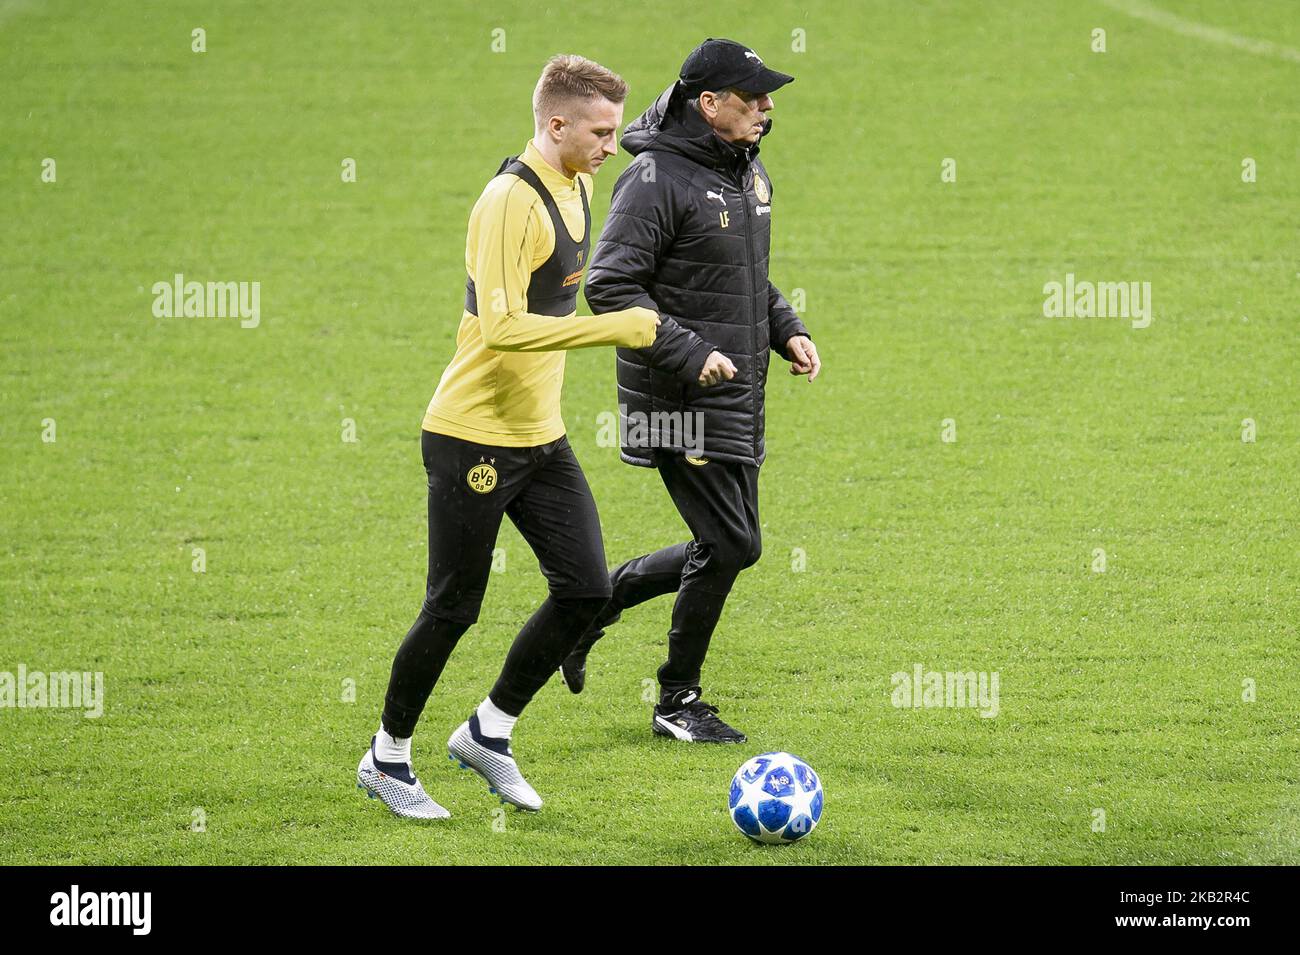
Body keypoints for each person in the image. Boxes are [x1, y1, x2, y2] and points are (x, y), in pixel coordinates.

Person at [356, 54, 658, 818]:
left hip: (539, 436)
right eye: (600, 131)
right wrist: (616, 329)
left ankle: (488, 733)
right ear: (554, 125)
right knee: (454, 605)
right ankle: (386, 757)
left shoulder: (580, 179)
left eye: (616, 131)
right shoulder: (506, 202)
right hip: (472, 436)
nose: (611, 145)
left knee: (586, 589)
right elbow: (501, 328)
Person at [562, 38, 820, 743]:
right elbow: (609, 285)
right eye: (752, 96)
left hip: (734, 388)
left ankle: (594, 605)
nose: (766, 107)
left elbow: (737, 276)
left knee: (737, 544)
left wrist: (785, 328)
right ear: (709, 104)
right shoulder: (653, 179)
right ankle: (676, 699)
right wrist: (688, 349)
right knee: (729, 541)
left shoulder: (744, 172)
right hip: (676, 398)